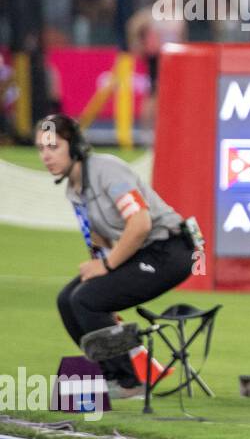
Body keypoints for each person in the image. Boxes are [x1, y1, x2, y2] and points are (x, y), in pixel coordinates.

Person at [38, 113, 193, 399]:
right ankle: (111, 374)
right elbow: (98, 239)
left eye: (53, 146)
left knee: (86, 299)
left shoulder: (106, 170)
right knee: (68, 299)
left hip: (170, 250)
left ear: (74, 146)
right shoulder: (74, 190)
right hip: (141, 251)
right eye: (41, 149)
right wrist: (104, 278)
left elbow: (140, 223)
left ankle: (129, 380)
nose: (46, 156)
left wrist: (107, 267)